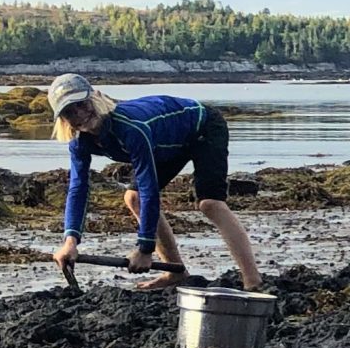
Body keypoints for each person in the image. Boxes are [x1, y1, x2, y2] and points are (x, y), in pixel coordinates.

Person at [45, 74, 260, 292]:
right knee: (134, 198)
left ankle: (253, 282)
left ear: (95, 97)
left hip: (203, 127)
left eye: (82, 104)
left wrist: (145, 248)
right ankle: (176, 273)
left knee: (210, 203)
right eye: (70, 112)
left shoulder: (131, 128)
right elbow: (78, 188)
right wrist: (70, 242)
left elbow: (149, 188)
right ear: (63, 119)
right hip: (166, 142)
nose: (80, 114)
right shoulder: (79, 142)